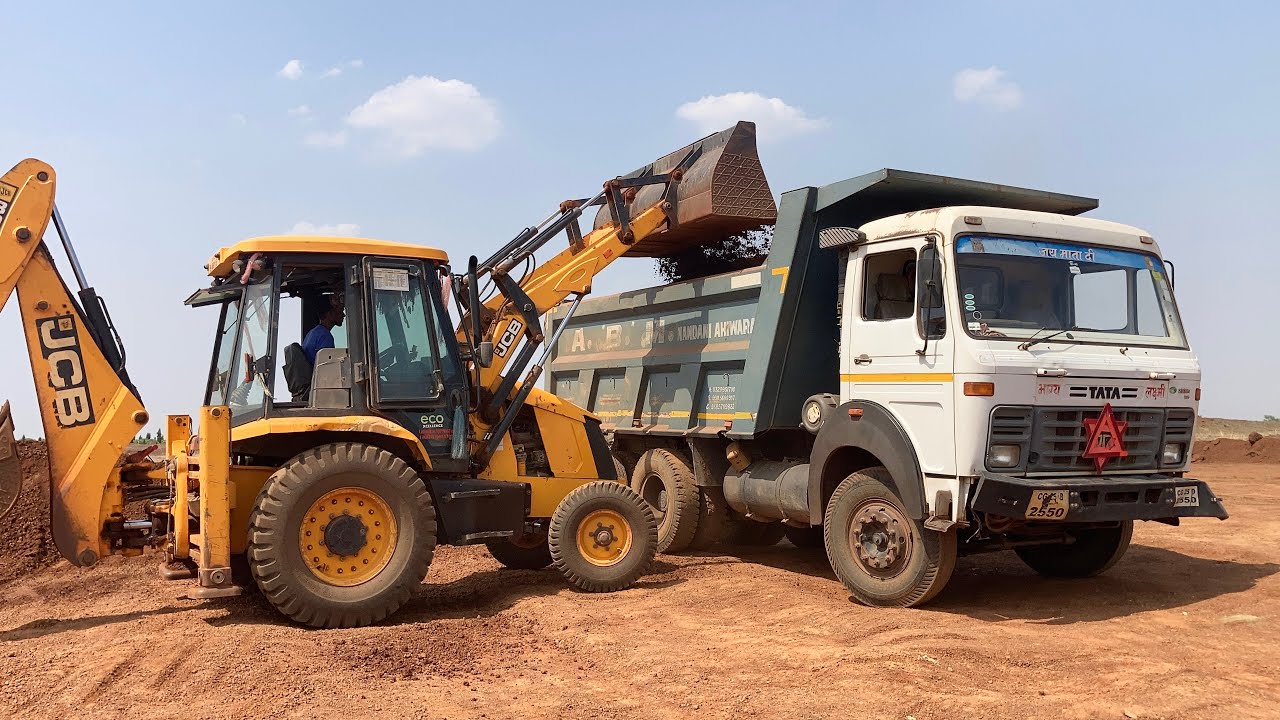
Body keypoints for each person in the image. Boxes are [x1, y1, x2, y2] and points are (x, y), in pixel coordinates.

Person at [302, 293, 345, 364]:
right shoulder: (325, 336)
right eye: (340, 311)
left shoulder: (312, 333)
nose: (344, 315)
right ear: (330, 314)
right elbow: (328, 368)